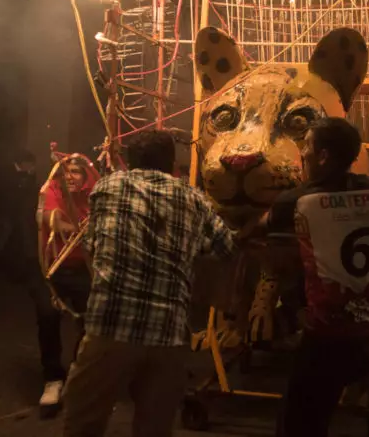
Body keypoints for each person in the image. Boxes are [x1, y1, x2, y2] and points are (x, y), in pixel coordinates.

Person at [61, 130, 241, 437]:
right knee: (154, 428)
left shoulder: (108, 187)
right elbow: (227, 246)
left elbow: (93, 245)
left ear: (130, 162)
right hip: (168, 335)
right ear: (172, 164)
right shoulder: (193, 198)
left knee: (83, 422)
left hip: (109, 327)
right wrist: (194, 245)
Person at [258, 117, 369, 437]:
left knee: (300, 422)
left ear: (323, 155)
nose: (303, 155)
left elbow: (282, 265)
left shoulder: (295, 202)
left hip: (324, 335)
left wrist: (296, 309)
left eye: (307, 148)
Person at [32, 151, 99, 417]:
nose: (70, 177)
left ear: (84, 176)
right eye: (67, 171)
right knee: (47, 315)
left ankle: (77, 372)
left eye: (76, 172)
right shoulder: (51, 189)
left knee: (90, 322)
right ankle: (52, 379)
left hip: (84, 269)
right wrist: (79, 228)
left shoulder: (94, 194)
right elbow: (50, 218)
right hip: (53, 269)